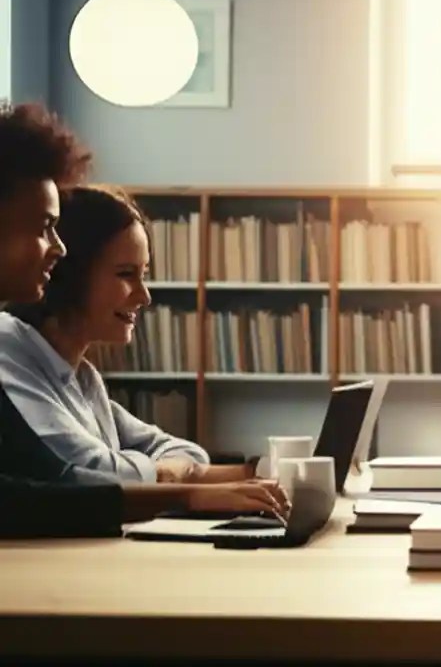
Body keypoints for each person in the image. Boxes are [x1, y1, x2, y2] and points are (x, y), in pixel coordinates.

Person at [0, 101, 286, 537]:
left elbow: (49, 484)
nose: (57, 251)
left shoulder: (82, 378)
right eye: (43, 228)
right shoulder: (8, 350)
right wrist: (180, 490)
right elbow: (67, 480)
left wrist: (182, 483)